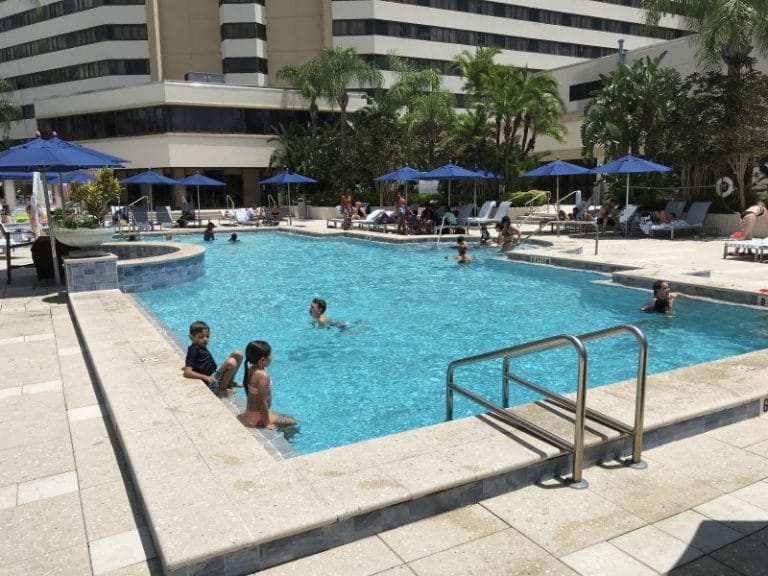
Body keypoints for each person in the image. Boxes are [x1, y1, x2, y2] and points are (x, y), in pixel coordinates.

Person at [242, 340, 297, 429]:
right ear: (262, 360)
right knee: (293, 422)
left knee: (287, 417)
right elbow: (262, 403)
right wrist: (266, 423)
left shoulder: (251, 369)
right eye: (270, 355)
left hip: (251, 413)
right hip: (257, 417)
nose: (272, 357)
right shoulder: (262, 376)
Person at [183, 321, 243, 397]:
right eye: (201, 337)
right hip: (211, 382)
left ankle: (230, 382)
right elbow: (187, 372)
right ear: (191, 337)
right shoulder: (193, 350)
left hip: (214, 374)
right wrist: (206, 377)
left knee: (237, 354)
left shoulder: (199, 346)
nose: (205, 339)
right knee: (231, 362)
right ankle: (222, 389)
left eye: (207, 336)